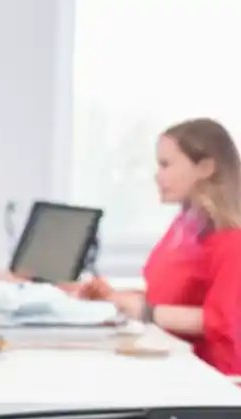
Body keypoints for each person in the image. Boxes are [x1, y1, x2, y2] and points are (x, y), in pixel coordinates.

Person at [72, 118, 241, 375]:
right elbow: (171, 296)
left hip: (216, 379)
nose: (157, 176)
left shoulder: (232, 239)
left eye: (166, 165)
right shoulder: (184, 228)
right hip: (177, 360)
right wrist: (115, 297)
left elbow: (222, 320)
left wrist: (144, 311)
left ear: (205, 168)